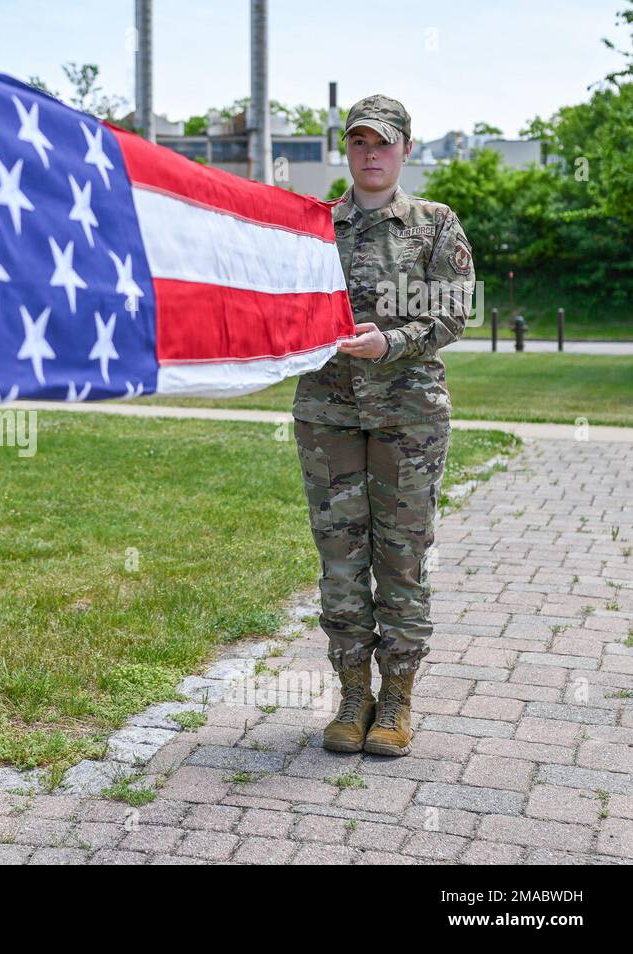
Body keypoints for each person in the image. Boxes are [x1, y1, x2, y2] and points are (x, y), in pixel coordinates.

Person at [292, 94, 476, 757]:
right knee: (340, 559)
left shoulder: (434, 225)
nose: (371, 154)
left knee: (401, 558)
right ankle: (351, 694)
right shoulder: (312, 227)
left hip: (409, 418)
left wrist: (391, 343)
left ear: (405, 149)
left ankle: (396, 696)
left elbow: (454, 312)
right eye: (359, 142)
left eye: (384, 142)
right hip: (328, 413)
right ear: (347, 149)